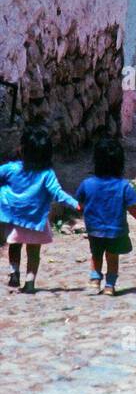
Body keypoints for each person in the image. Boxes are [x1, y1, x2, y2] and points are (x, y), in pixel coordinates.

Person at [0, 124, 81, 294]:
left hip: (14, 218)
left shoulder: (10, 169)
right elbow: (58, 193)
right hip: (36, 221)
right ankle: (30, 282)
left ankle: (14, 272)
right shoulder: (47, 174)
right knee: (33, 252)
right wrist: (75, 203)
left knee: (14, 246)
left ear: (22, 149)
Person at [77, 136, 136, 296]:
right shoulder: (123, 186)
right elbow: (132, 208)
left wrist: (82, 211)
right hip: (116, 231)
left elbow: (80, 204)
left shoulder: (87, 184)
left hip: (94, 230)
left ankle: (95, 279)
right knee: (112, 257)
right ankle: (109, 285)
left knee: (96, 254)